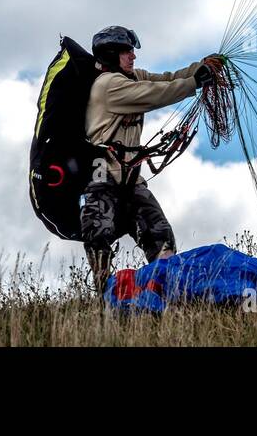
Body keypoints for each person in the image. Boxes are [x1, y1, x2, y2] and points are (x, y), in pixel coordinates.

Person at [80, 24, 217, 291]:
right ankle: (104, 294)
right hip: (101, 174)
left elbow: (164, 80)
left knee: (159, 232)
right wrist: (194, 83)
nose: (133, 57)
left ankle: (166, 292)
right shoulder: (109, 86)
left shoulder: (131, 77)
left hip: (130, 177)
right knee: (99, 236)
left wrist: (200, 68)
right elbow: (156, 94)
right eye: (127, 52)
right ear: (110, 55)